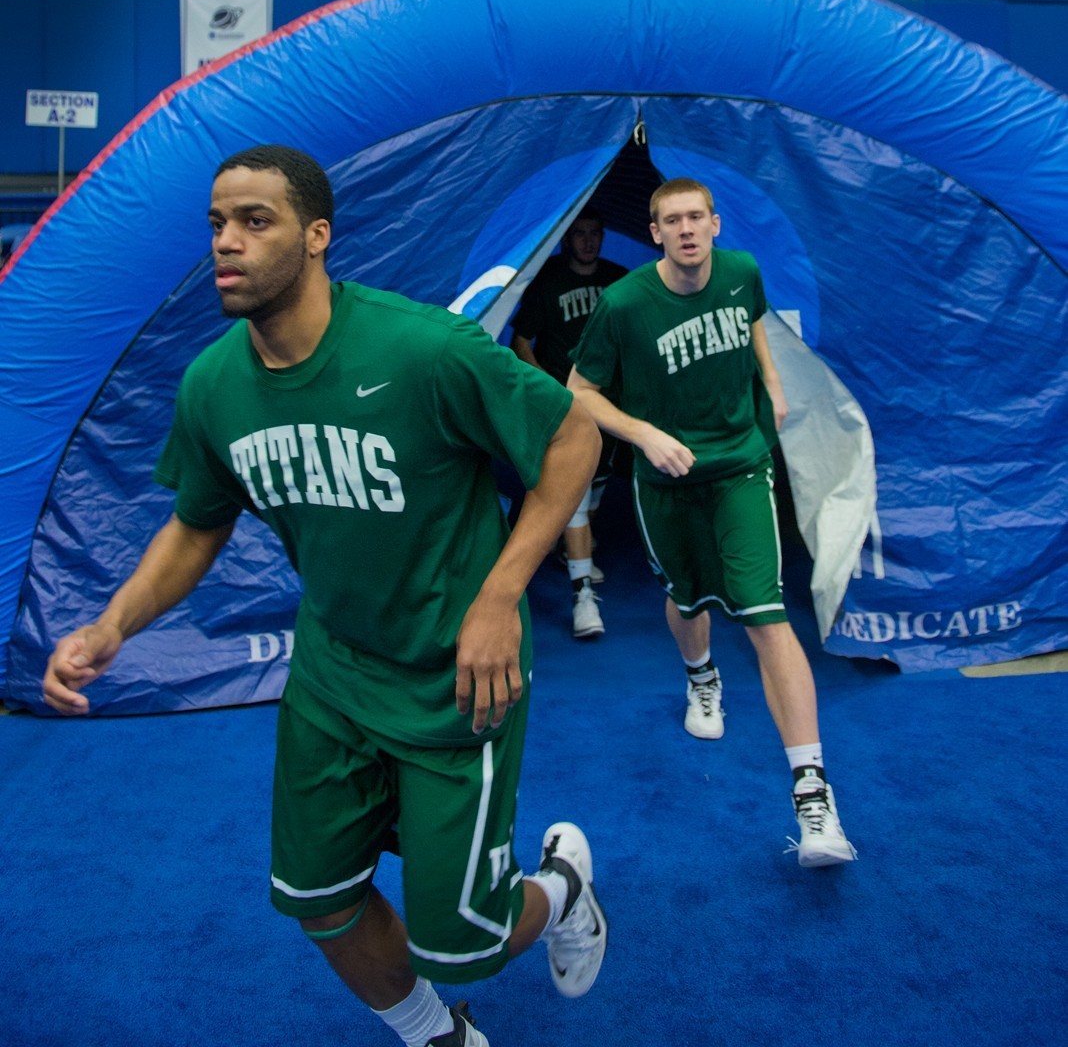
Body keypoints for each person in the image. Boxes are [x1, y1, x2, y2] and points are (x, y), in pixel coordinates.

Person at [43, 145, 609, 1047]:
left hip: (452, 680)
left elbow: (574, 437)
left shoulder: (422, 349)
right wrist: (112, 625)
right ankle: (437, 1036)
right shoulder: (214, 384)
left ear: (316, 237)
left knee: (464, 943)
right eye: (218, 223)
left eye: (254, 221)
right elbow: (197, 524)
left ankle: (567, 889)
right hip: (333, 676)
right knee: (319, 900)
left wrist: (502, 596)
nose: (226, 242)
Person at [567, 178, 855, 869]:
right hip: (667, 480)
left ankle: (813, 798)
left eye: (697, 217)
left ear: (716, 224)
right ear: (656, 233)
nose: (687, 229)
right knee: (688, 598)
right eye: (672, 220)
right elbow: (578, 393)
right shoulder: (626, 303)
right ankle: (700, 675)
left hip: (740, 465)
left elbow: (753, 323)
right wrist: (642, 434)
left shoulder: (742, 272)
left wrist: (775, 387)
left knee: (765, 613)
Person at [511, 211, 626, 640]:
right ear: (565, 239)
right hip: (565, 407)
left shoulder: (621, 279)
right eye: (579, 234)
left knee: (595, 486)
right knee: (573, 492)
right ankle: (582, 597)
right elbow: (519, 339)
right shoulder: (548, 283)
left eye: (595, 233)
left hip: (610, 403)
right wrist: (545, 388)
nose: (588, 242)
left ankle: (572, 546)